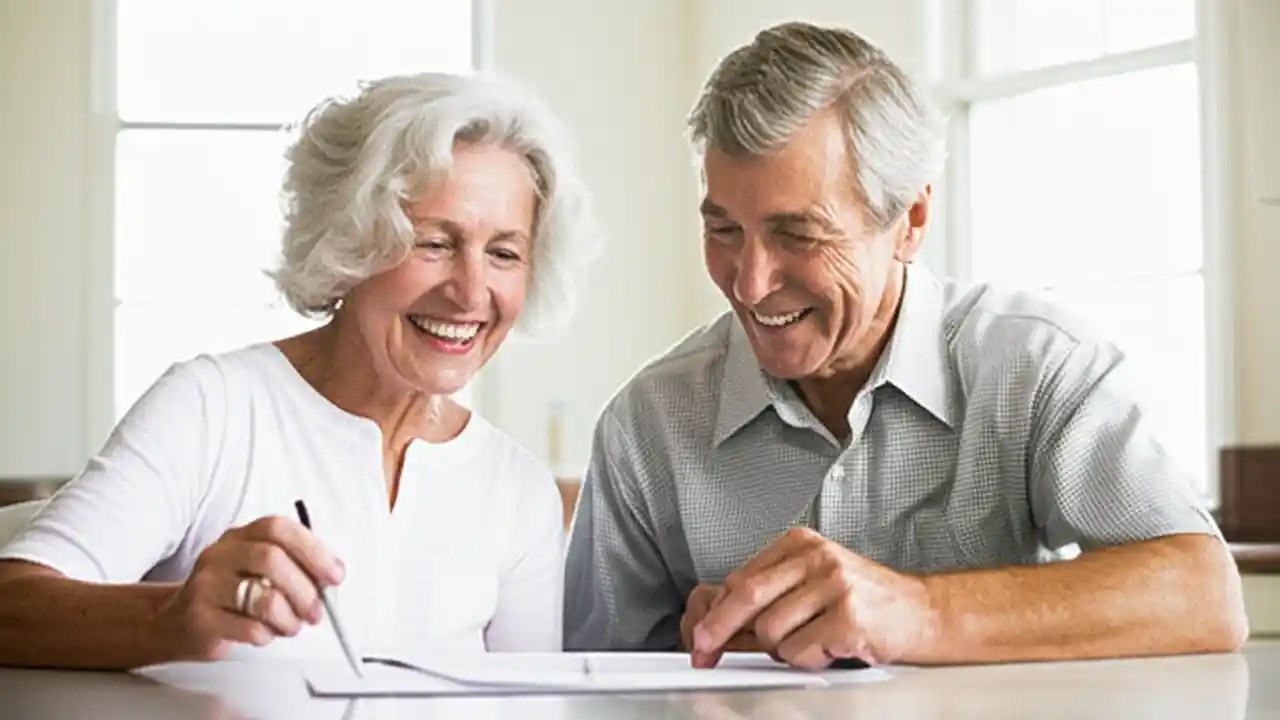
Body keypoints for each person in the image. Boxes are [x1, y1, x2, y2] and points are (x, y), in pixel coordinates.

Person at [563, 22, 1247, 668]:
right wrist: (701, 657)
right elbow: (593, 685)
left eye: (797, 234)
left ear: (911, 220)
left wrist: (918, 613)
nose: (750, 282)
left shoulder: (1034, 367)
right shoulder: (645, 428)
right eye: (724, 231)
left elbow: (1203, 596)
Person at [0, 71, 599, 669]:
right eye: (433, 243)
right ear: (351, 240)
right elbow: (12, 606)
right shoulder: (214, 409)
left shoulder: (517, 490)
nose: (471, 293)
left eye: (504, 254)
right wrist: (171, 619)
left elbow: (528, 703)